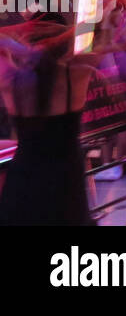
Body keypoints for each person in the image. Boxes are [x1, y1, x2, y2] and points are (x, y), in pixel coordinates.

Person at [0, 16, 99, 226]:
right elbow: (93, 29)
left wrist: (22, 41)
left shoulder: (11, 80)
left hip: (25, 173)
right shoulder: (78, 74)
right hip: (66, 176)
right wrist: (60, 37)